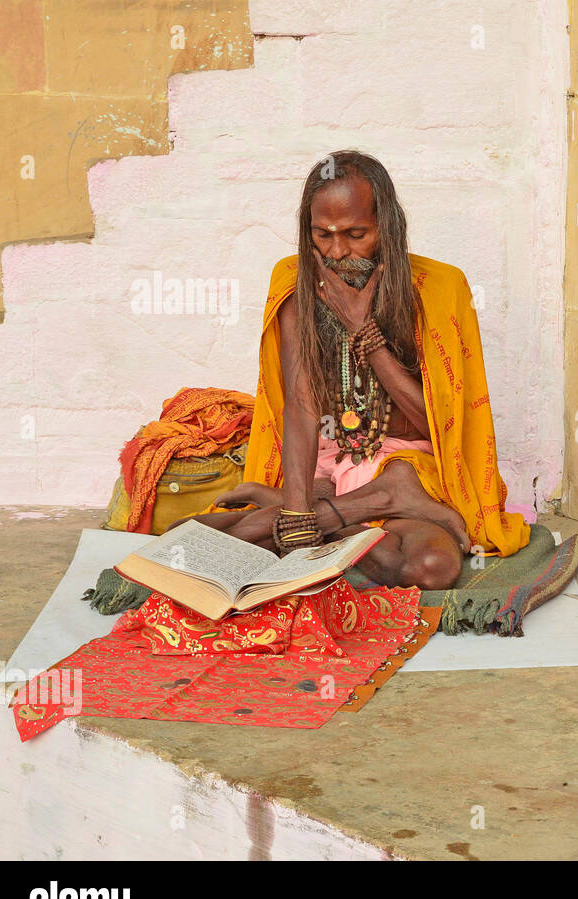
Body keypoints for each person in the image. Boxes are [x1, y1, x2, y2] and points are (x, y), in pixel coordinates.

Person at [184, 151, 528, 589]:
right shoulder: (295, 285)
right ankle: (344, 512)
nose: (337, 251)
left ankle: (347, 505)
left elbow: (442, 427)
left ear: (387, 227)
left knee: (431, 569)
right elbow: (302, 406)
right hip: (326, 464)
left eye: (356, 234)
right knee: (186, 541)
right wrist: (295, 515)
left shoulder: (439, 290)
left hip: (410, 467)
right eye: (321, 236)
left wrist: (366, 333)